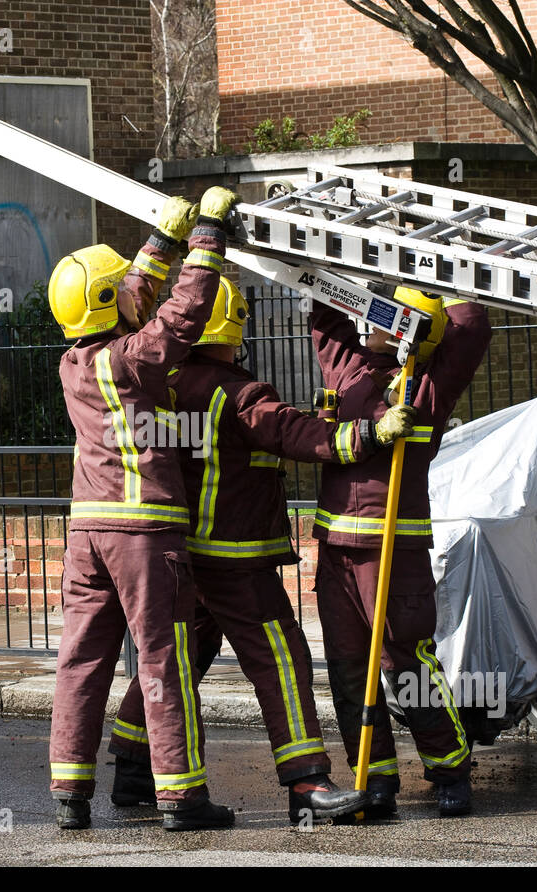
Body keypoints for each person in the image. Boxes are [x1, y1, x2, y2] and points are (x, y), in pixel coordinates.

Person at [104, 276, 418, 824]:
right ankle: (307, 783)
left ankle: (131, 766)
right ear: (232, 331)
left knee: (179, 659)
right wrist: (367, 435)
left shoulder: (165, 385)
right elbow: (293, 434)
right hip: (235, 558)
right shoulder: (238, 391)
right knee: (281, 661)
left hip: (181, 555)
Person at [47, 185, 240, 832]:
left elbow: (125, 296)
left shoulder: (75, 360)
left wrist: (160, 241)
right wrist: (208, 233)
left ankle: (70, 792)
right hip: (143, 531)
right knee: (164, 657)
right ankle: (182, 797)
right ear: (108, 304)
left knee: (81, 657)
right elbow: (183, 315)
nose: (136, 291)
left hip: (87, 532)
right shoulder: (131, 361)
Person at [309, 286, 492, 817]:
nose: (371, 321)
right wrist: (352, 281)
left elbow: (472, 323)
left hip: (396, 548)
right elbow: (324, 312)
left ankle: (450, 769)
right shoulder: (350, 368)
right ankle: (376, 776)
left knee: (403, 663)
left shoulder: (428, 384)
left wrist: (424, 278)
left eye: (387, 315)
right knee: (347, 670)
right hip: (337, 551)